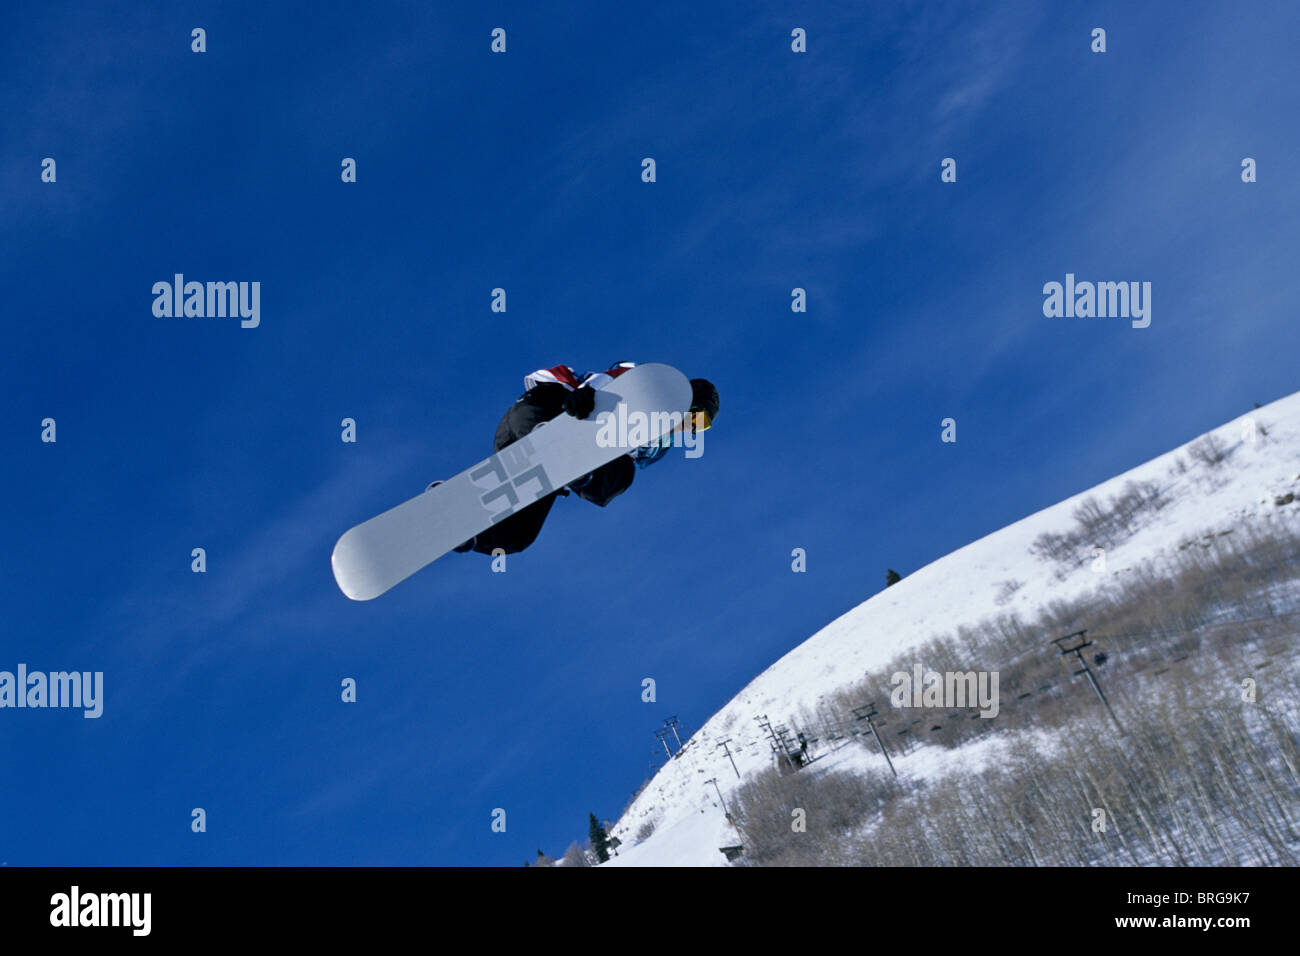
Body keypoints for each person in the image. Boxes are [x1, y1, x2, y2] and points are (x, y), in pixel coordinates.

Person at [446, 361, 718, 555]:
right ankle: (554, 444)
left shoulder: (651, 442)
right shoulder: (647, 390)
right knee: (623, 472)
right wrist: (589, 391)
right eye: (696, 417)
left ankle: (467, 532)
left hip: (521, 448)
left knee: (517, 537)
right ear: (684, 401)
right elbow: (619, 374)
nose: (691, 427)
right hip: (545, 407)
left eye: (702, 426)